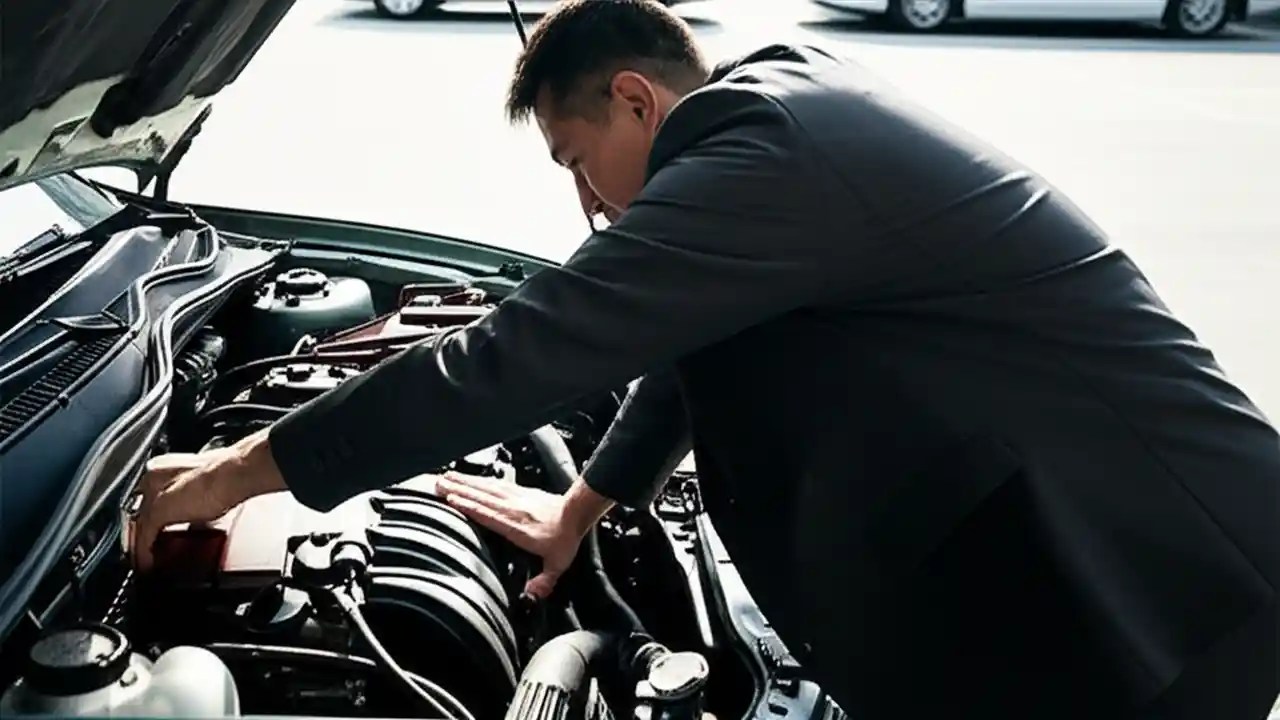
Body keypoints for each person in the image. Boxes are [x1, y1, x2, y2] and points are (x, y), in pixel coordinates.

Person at [129, 1, 1279, 718]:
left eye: (578, 160)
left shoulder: (761, 153)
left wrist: (239, 469)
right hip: (1088, 554)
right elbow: (697, 342)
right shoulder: (782, 111)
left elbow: (513, 358)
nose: (584, 204)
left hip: (1156, 583)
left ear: (636, 99)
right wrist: (579, 510)